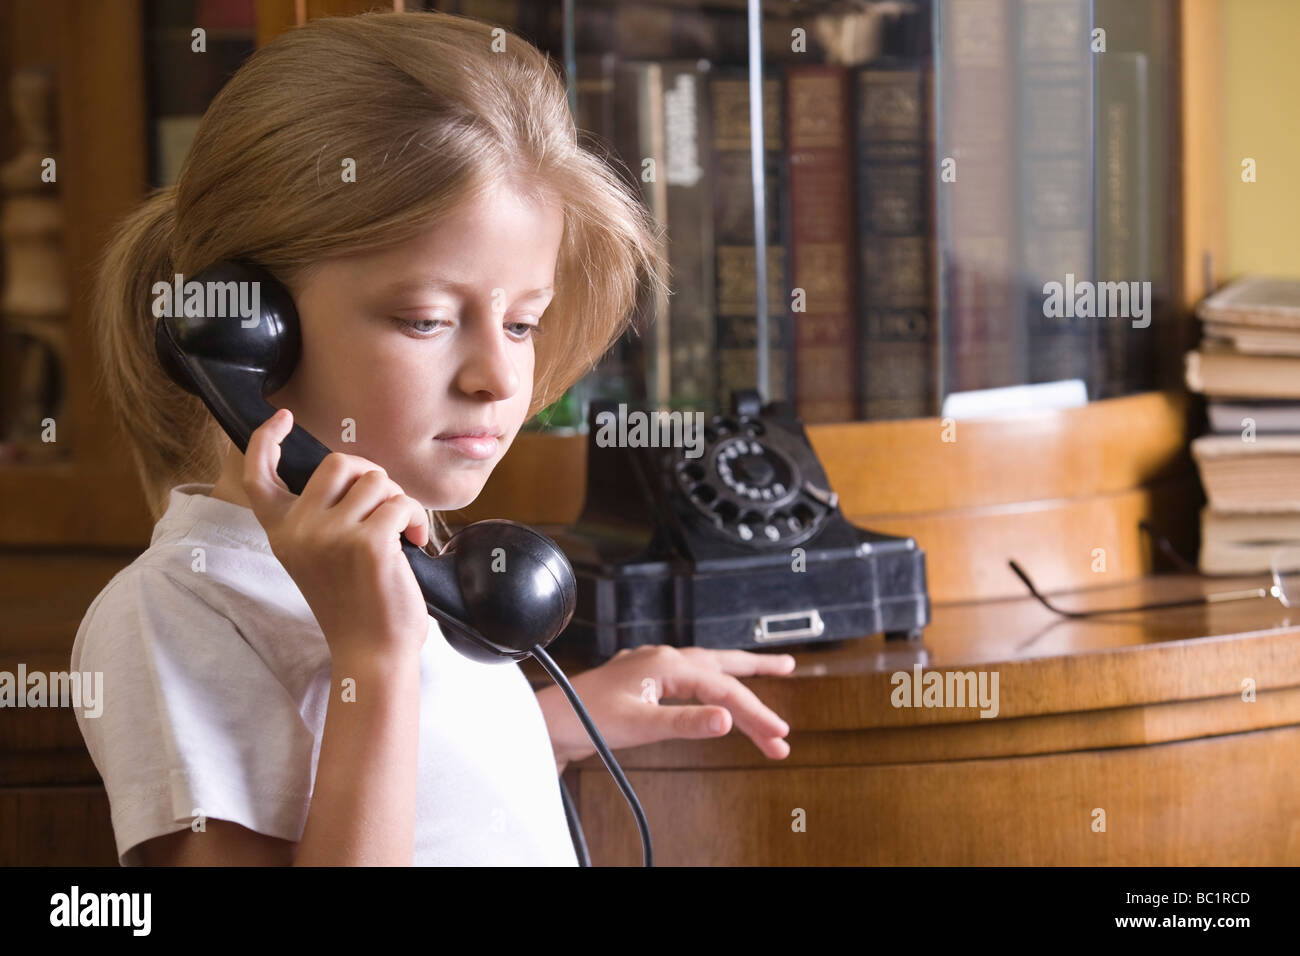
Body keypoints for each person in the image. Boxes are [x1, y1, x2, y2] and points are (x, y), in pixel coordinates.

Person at [71, 9, 795, 866]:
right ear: (247, 330)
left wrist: (553, 722)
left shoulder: (413, 558)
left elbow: (419, 798)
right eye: (425, 320)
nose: (497, 376)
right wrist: (372, 665)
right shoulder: (176, 615)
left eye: (523, 323)